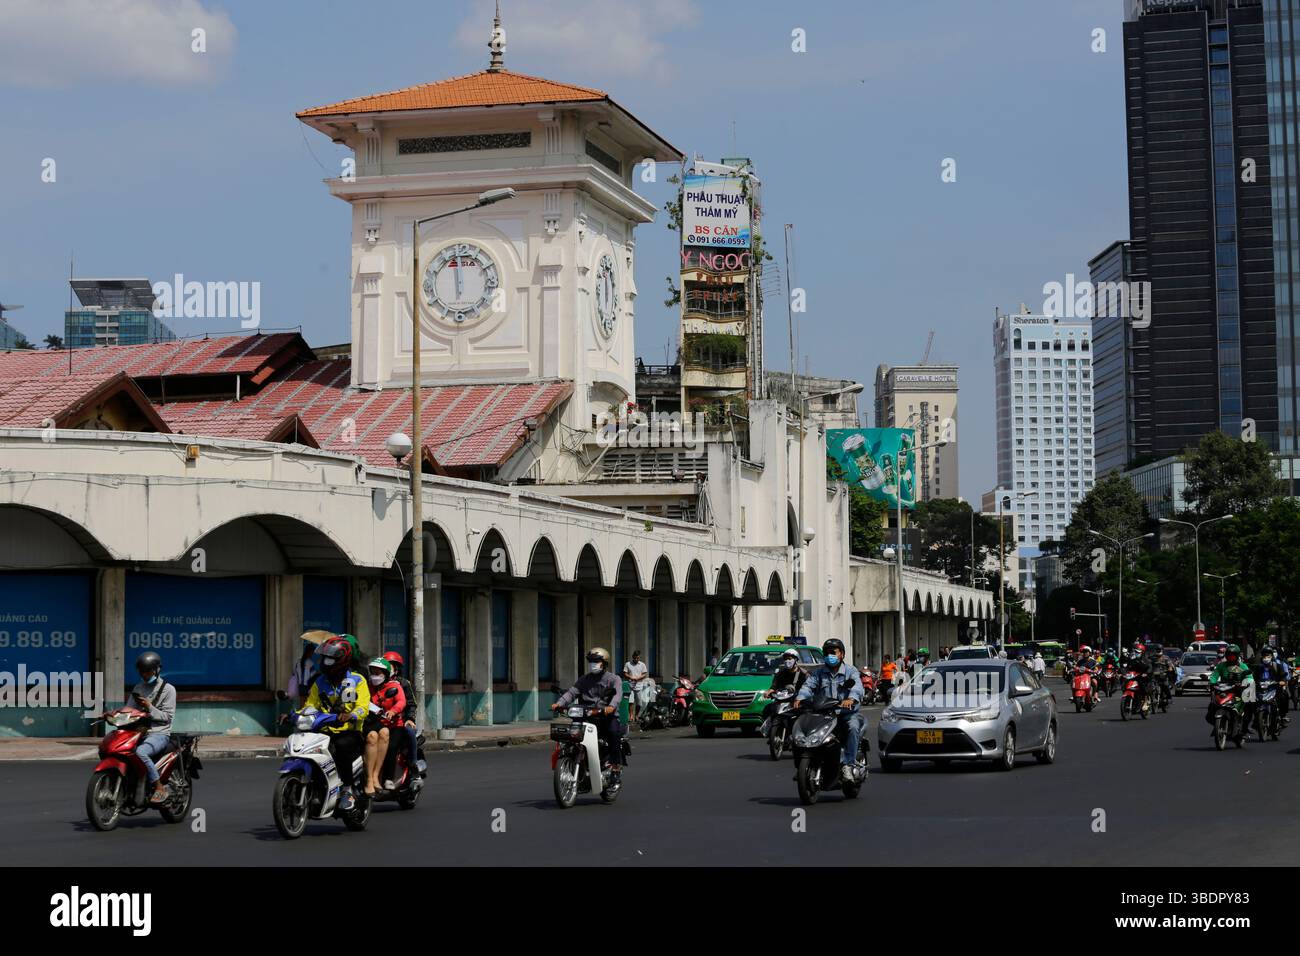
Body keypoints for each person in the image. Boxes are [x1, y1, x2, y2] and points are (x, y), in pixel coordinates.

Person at [302, 636, 370, 810]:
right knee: (308, 748)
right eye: (325, 658)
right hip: (324, 729)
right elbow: (310, 705)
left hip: (350, 731)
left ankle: (347, 790)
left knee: (340, 746)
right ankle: (316, 788)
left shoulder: (357, 680)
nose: (326, 662)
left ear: (342, 660)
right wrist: (295, 715)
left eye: (330, 658)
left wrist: (352, 715)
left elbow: (363, 707)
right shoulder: (320, 682)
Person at [795, 638, 865, 784]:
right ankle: (805, 766)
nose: (829, 656)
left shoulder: (850, 671)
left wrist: (851, 699)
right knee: (801, 728)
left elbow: (857, 687)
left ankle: (848, 764)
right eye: (826, 653)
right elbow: (808, 686)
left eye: (833, 652)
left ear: (842, 654)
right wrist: (800, 698)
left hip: (846, 714)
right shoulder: (818, 672)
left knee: (852, 727)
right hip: (824, 715)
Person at [551, 647, 625, 780]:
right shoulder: (584, 679)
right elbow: (572, 692)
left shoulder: (614, 679)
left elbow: (617, 695)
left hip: (606, 716)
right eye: (591, 661)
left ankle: (615, 767)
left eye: (596, 661)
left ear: (604, 663)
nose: (593, 664)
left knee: (613, 733)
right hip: (586, 715)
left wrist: (611, 707)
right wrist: (559, 703)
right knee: (572, 736)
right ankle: (579, 760)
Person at [124, 651, 177, 805]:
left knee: (141, 752)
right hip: (138, 732)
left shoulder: (169, 690)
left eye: (148, 671)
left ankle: (159, 787)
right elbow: (129, 710)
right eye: (142, 671)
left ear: (157, 670)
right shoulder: (138, 687)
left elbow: (167, 717)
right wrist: (111, 715)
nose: (145, 674)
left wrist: (149, 707)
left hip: (159, 733)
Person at [362, 657, 407, 794]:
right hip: (374, 723)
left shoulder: (394, 686)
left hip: (394, 725)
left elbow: (401, 702)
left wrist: (393, 711)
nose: (375, 676)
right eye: (373, 672)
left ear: (386, 674)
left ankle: (386, 778)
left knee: (392, 747)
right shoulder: (367, 686)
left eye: (378, 673)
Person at [382, 650, 420, 787]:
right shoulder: (377, 683)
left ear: (396, 668)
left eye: (391, 665)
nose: (388, 668)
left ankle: (413, 763)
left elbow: (411, 704)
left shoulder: (404, 683)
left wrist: (410, 719)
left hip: (401, 720)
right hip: (380, 720)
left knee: (409, 732)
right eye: (386, 665)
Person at [1205, 644, 1253, 729]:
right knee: (1212, 706)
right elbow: (1214, 675)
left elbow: (1249, 677)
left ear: (1237, 656)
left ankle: (1244, 727)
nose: (1231, 657)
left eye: (1233, 655)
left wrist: (1246, 683)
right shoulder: (1221, 665)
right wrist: (1212, 682)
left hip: (1238, 690)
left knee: (1248, 706)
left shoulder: (1242, 666)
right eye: (1229, 655)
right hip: (1224, 689)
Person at [1253, 647, 1290, 728]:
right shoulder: (1258, 667)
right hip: (1261, 689)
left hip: (1274, 688)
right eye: (1264, 656)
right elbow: (1253, 678)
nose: (1266, 658)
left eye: (1268, 656)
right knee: (1251, 702)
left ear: (1272, 656)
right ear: (1261, 657)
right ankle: (1255, 721)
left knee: (1284, 696)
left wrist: (1282, 681)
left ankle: (1282, 716)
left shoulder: (1278, 666)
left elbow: (1283, 676)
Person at [623, 650, 653, 724]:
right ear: (633, 657)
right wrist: (631, 677)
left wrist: (638, 678)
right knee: (631, 701)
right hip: (630, 685)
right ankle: (631, 716)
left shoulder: (642, 664)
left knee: (639, 703)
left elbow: (644, 674)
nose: (636, 659)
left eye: (638, 658)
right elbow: (625, 673)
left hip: (639, 685)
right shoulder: (628, 664)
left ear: (639, 658)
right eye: (635, 658)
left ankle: (636, 715)